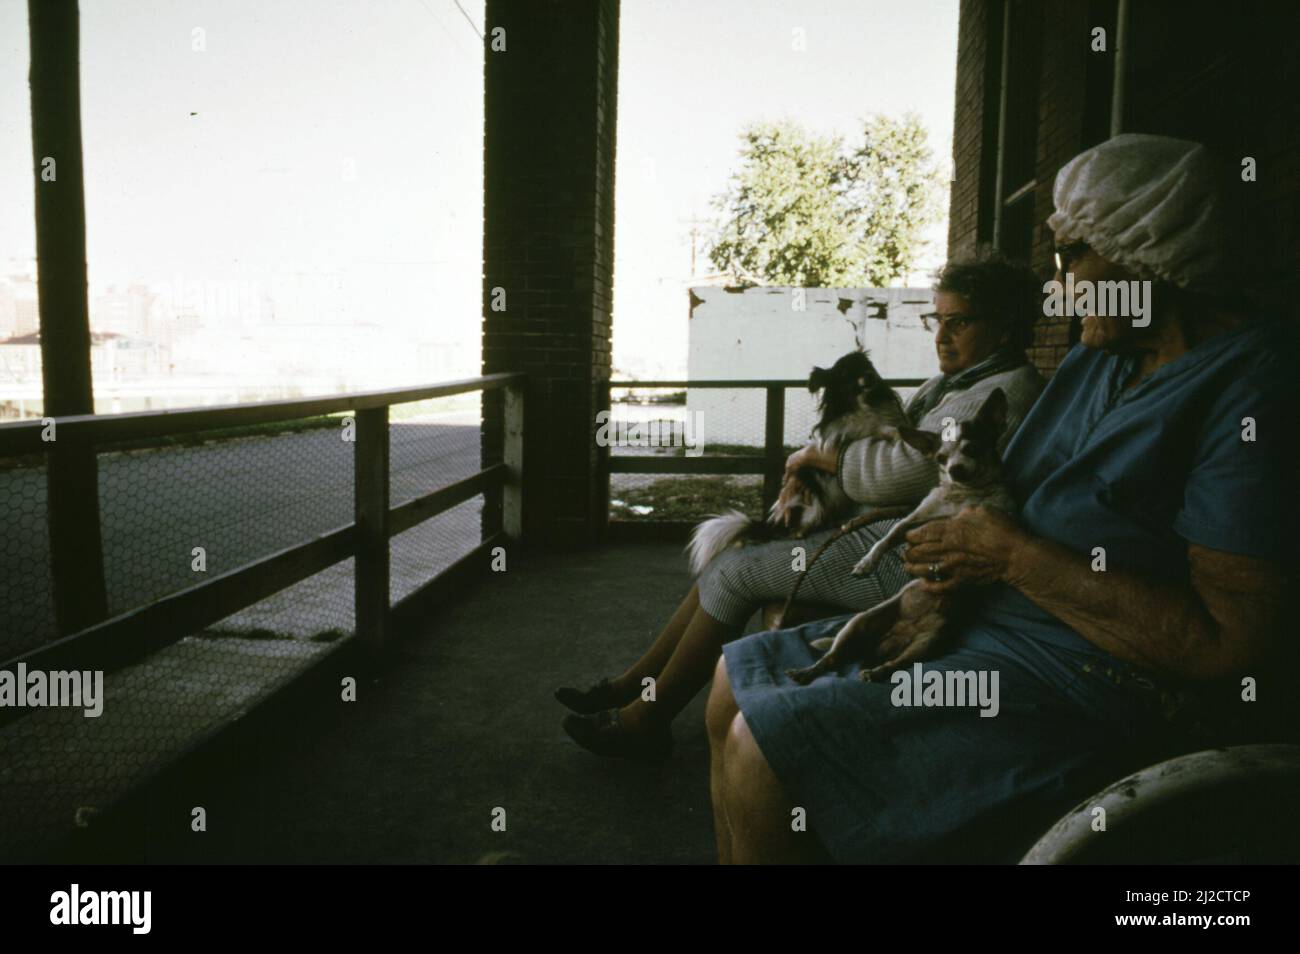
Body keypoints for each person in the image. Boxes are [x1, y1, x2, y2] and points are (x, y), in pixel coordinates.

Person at [707, 133, 1295, 864]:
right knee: (732, 674)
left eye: (1074, 256)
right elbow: (990, 492)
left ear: (1152, 253)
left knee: (761, 751)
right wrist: (938, 584)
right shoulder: (1097, 357)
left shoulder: (1252, 390)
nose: (1059, 286)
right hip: (984, 620)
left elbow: (1229, 645)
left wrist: (1010, 558)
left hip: (1085, 681)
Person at [556, 253, 1045, 761]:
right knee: (733, 560)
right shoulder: (954, 384)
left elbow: (904, 471)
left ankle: (644, 720)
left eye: (959, 322)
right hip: (890, 533)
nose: (940, 336)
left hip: (921, 561)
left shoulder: (1001, 393)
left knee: (734, 573)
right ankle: (633, 685)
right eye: (936, 321)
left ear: (1006, 327)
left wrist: (818, 456)